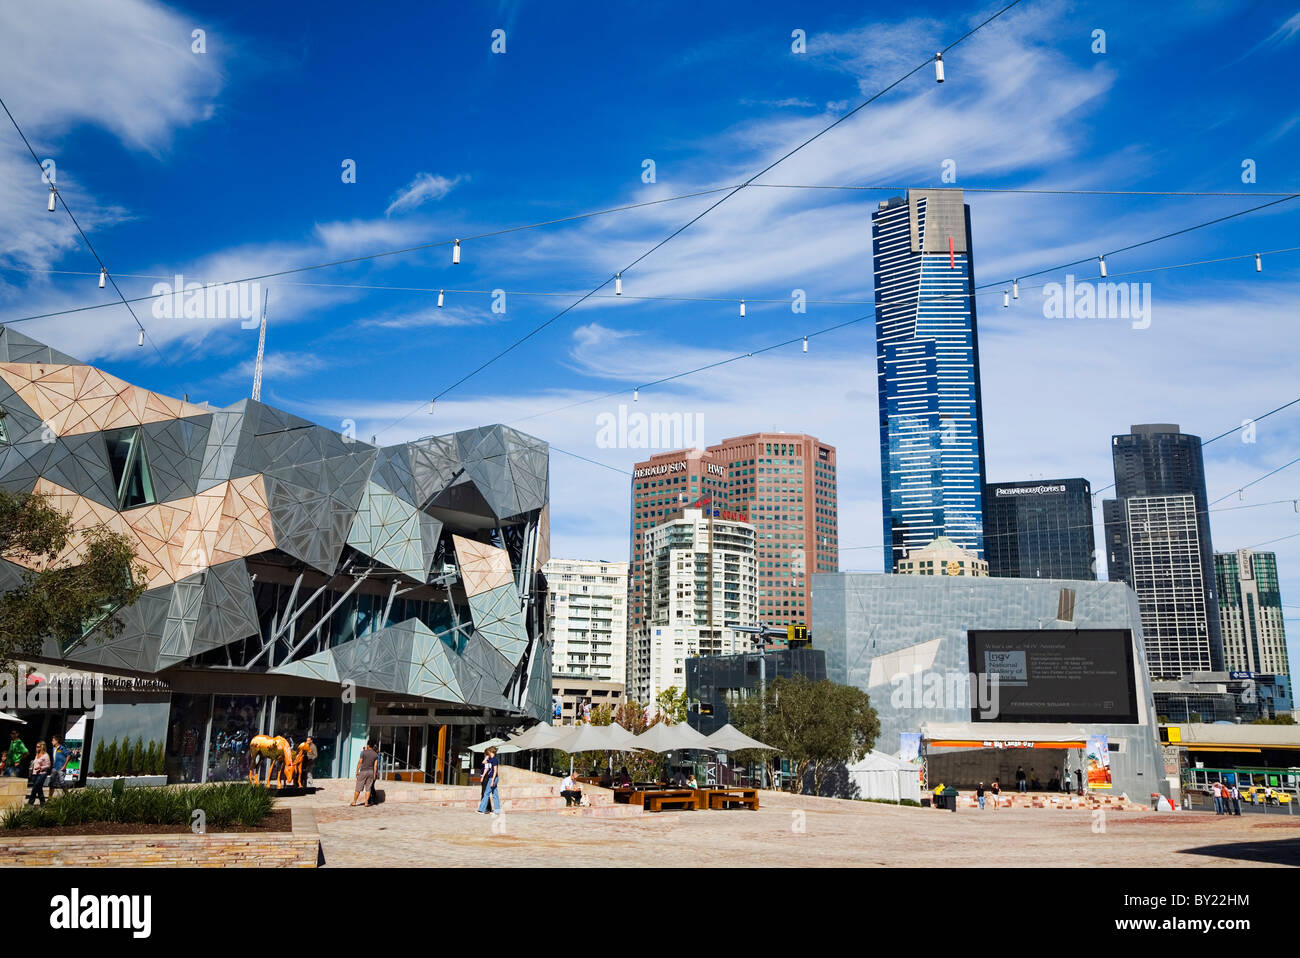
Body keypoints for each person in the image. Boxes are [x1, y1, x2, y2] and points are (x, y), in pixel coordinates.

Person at [351, 738, 379, 807]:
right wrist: (374, 774)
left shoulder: (363, 752)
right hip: (371, 772)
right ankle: (366, 803)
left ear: (368, 745)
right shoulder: (375, 754)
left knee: (358, 787)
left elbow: (360, 762)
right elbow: (375, 766)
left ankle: (354, 802)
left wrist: (357, 771)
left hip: (363, 771)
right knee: (368, 788)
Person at [477, 745, 501, 814]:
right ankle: (497, 810)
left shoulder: (494, 760)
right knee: (495, 794)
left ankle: (481, 810)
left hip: (493, 778)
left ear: (490, 752)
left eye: (488, 752)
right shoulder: (490, 759)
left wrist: (493, 780)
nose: (487, 754)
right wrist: (487, 757)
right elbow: (484, 763)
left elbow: (495, 771)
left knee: (486, 793)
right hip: (492, 778)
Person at [26, 741, 50, 806]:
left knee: (34, 788)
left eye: (38, 747)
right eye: (36, 746)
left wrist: (41, 767)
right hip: (34, 774)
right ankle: (43, 802)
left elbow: (48, 765)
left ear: (42, 747)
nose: (36, 748)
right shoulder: (37, 754)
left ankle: (30, 803)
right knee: (39, 789)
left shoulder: (46, 755)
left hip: (42, 774)